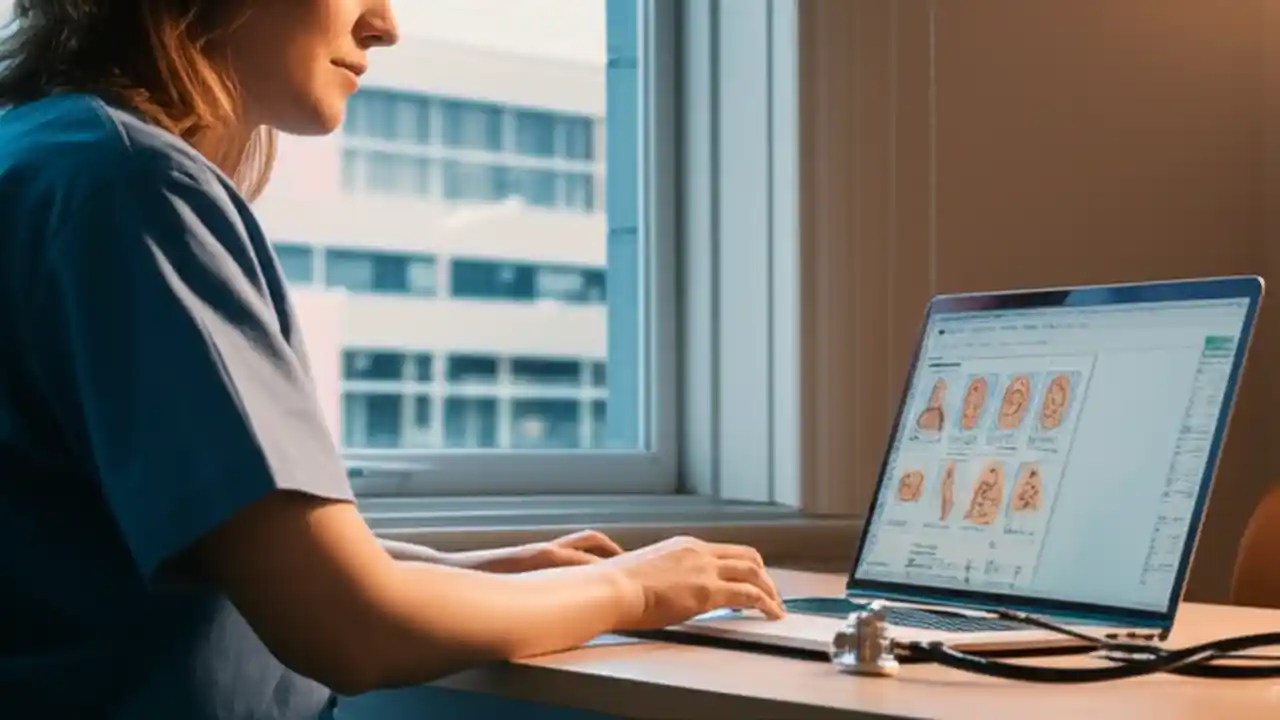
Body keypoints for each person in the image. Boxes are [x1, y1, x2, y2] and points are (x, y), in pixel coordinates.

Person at [0, 1, 785, 718]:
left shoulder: (51, 157)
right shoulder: (134, 190)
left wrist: (476, 571)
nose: (384, 24)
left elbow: (228, 552)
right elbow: (348, 628)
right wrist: (632, 587)